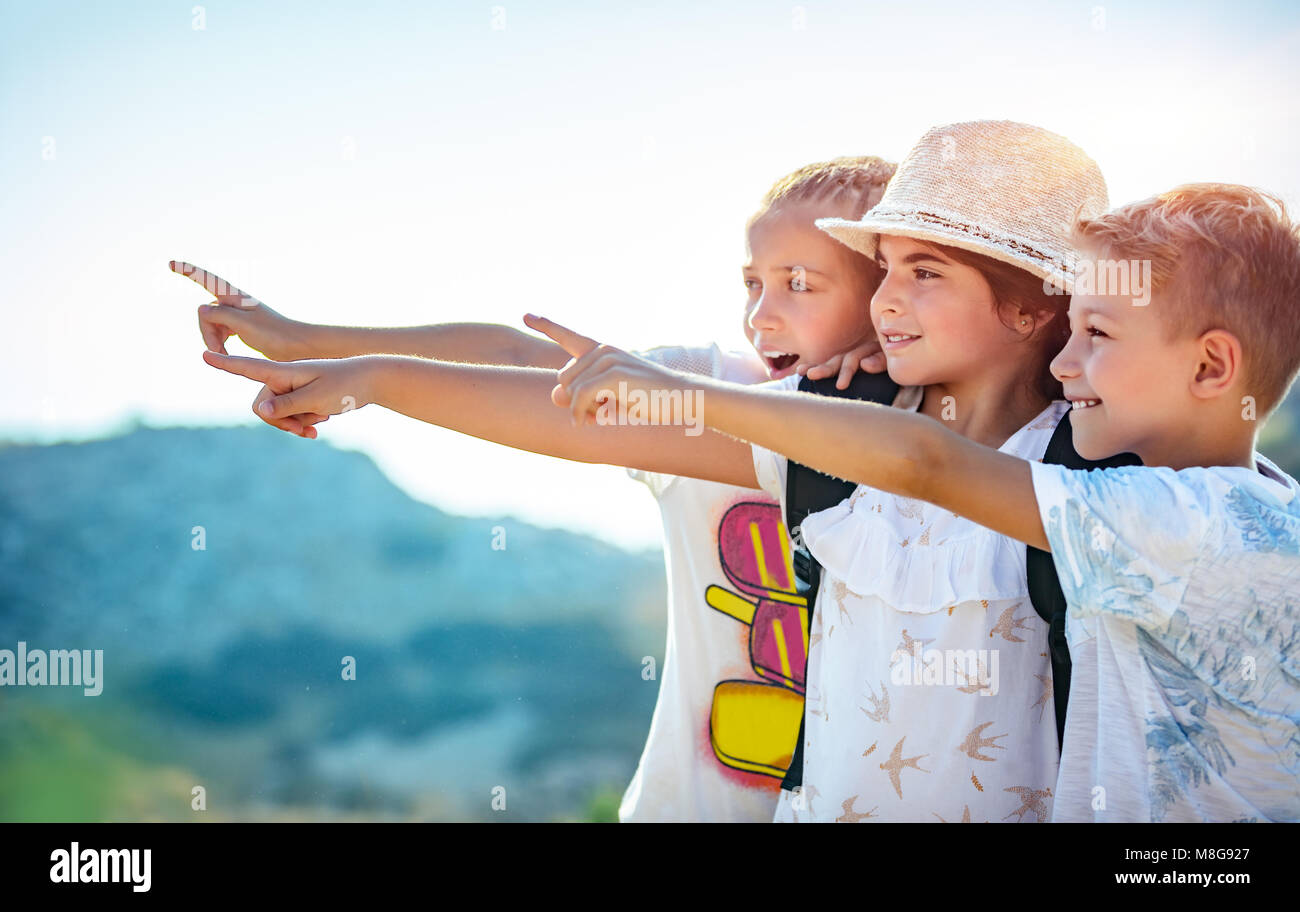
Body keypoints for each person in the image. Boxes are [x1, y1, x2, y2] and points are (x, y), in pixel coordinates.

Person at [540, 182, 1300, 822]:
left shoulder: (1180, 521)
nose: (1067, 362)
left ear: (1211, 366)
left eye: (1095, 332)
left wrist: (690, 398)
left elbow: (924, 461)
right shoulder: (1243, 504)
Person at [178, 155, 897, 821]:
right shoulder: (706, 385)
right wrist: (301, 340)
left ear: (889, 299)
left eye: (799, 284)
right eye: (753, 282)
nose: (760, 313)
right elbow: (516, 359)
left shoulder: (926, 432)